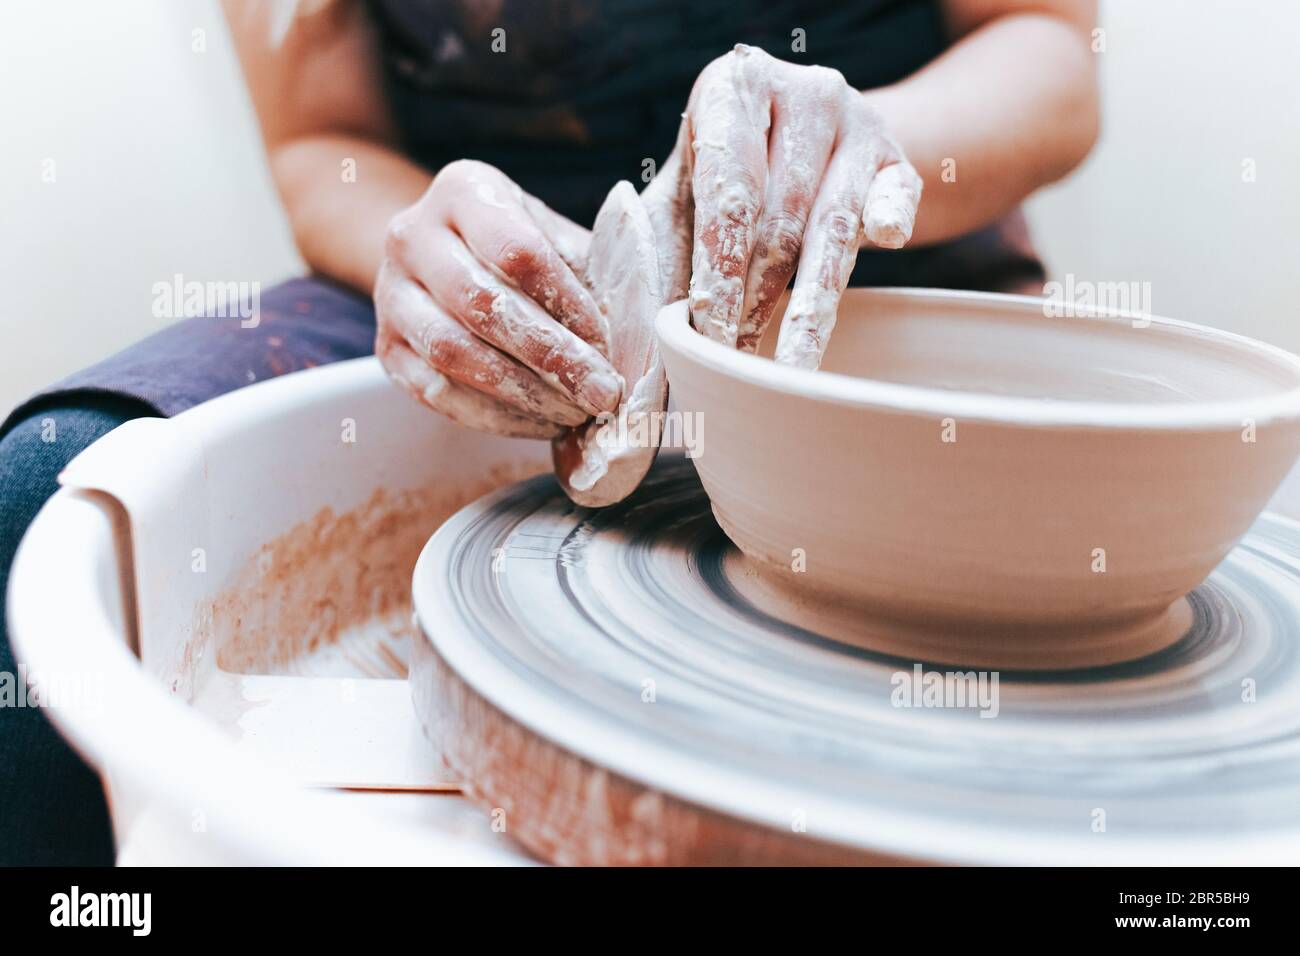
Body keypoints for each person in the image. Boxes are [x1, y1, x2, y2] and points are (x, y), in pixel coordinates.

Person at [0, 0, 1098, 864]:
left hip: (869, 250)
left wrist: (866, 145)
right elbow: (319, 146)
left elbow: (1049, 58)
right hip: (499, 268)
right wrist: (432, 247)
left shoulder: (866, 183)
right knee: (43, 491)